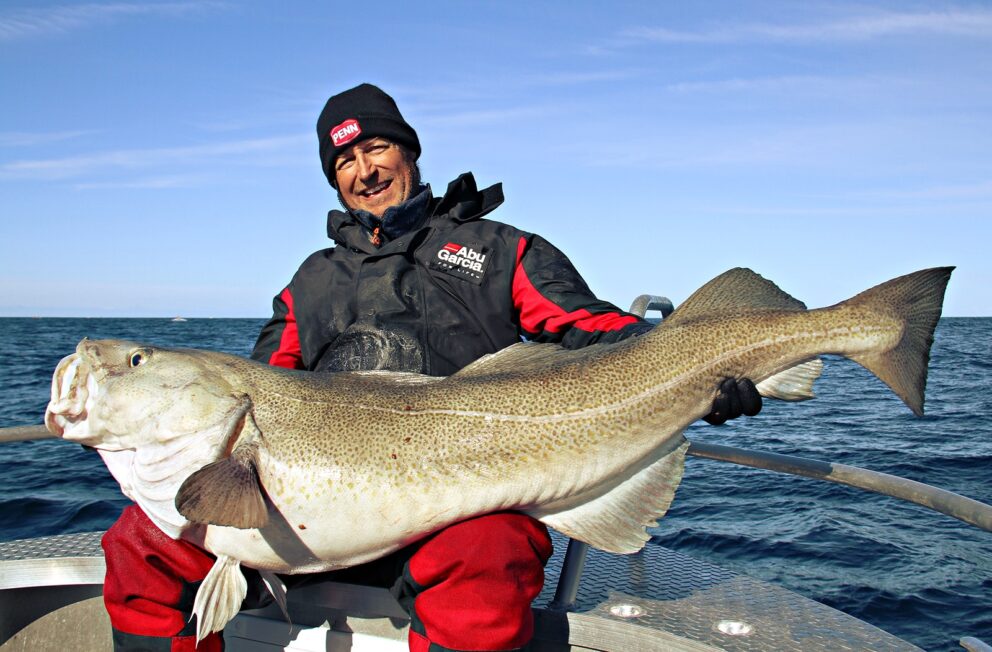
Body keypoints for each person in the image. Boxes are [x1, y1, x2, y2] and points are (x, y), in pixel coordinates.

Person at [101, 83, 762, 652]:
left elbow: (595, 331)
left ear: (409, 151)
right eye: (345, 161)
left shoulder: (501, 251)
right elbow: (256, 389)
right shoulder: (309, 281)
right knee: (140, 545)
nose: (365, 171)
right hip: (315, 517)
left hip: (458, 502)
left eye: (376, 148)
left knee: (486, 555)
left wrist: (698, 365)